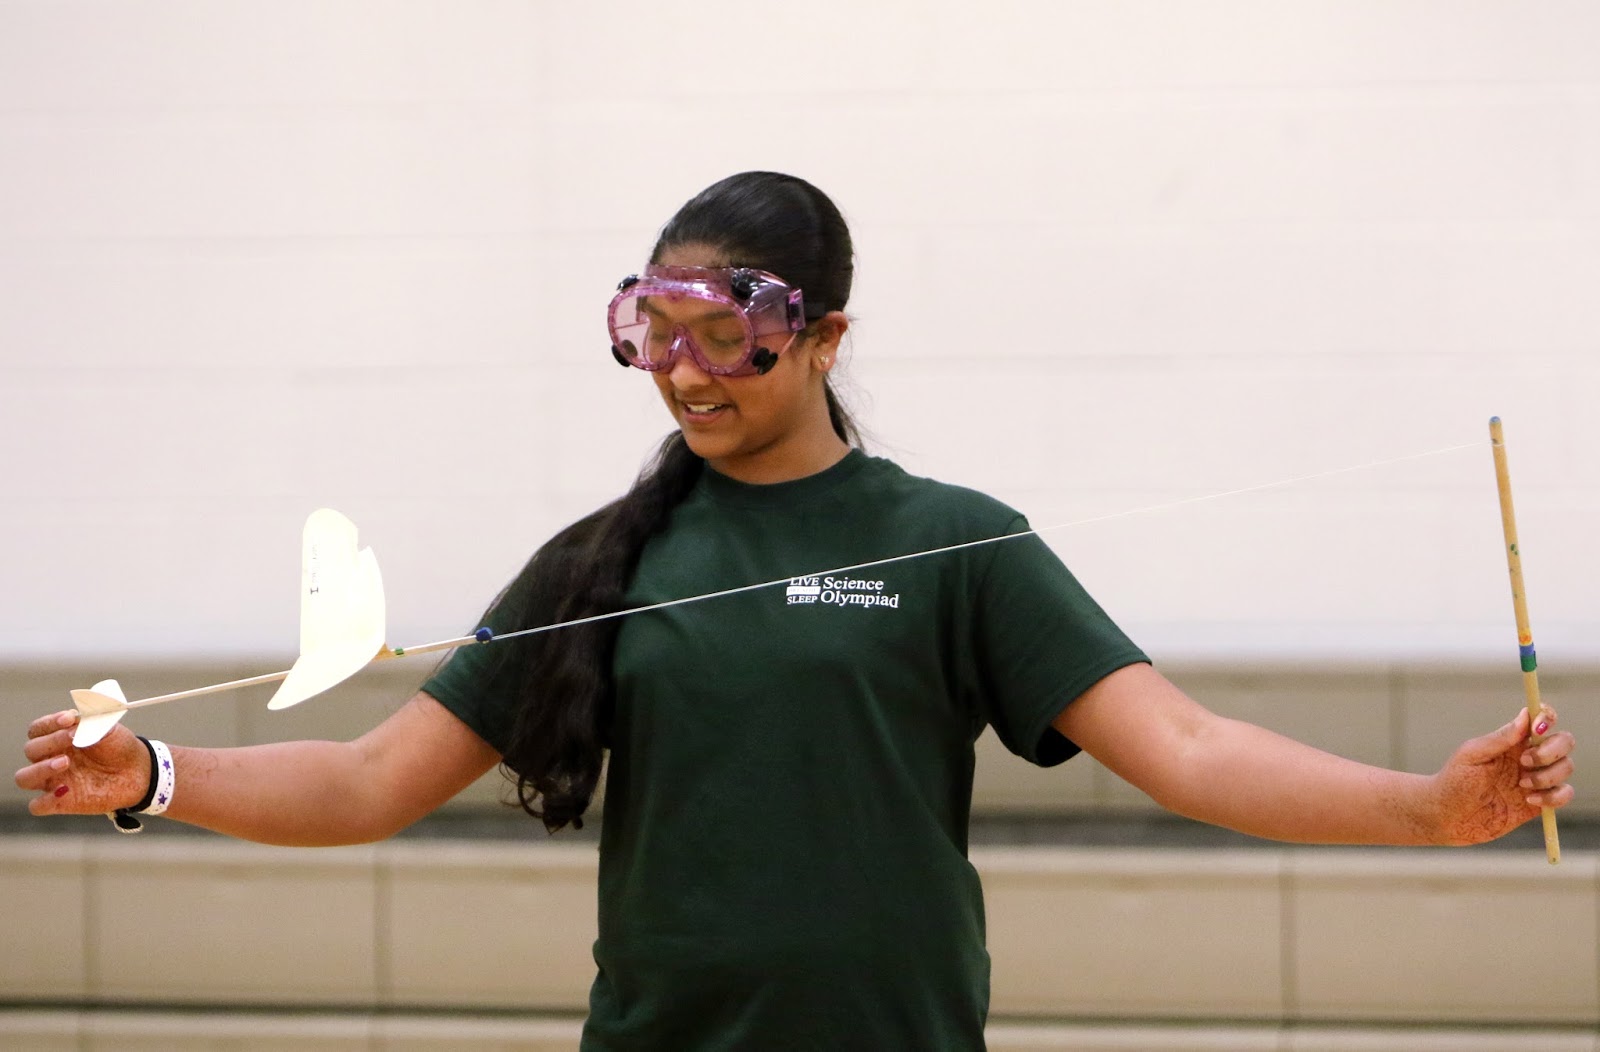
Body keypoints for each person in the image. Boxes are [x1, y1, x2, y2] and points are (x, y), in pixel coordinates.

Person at [16, 171, 1577, 1051]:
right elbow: (372, 778)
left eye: (727, 337)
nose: (685, 373)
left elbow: (1189, 749)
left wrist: (1426, 811)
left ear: (824, 337)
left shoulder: (953, 541)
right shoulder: (600, 560)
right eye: (657, 334)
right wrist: (157, 775)